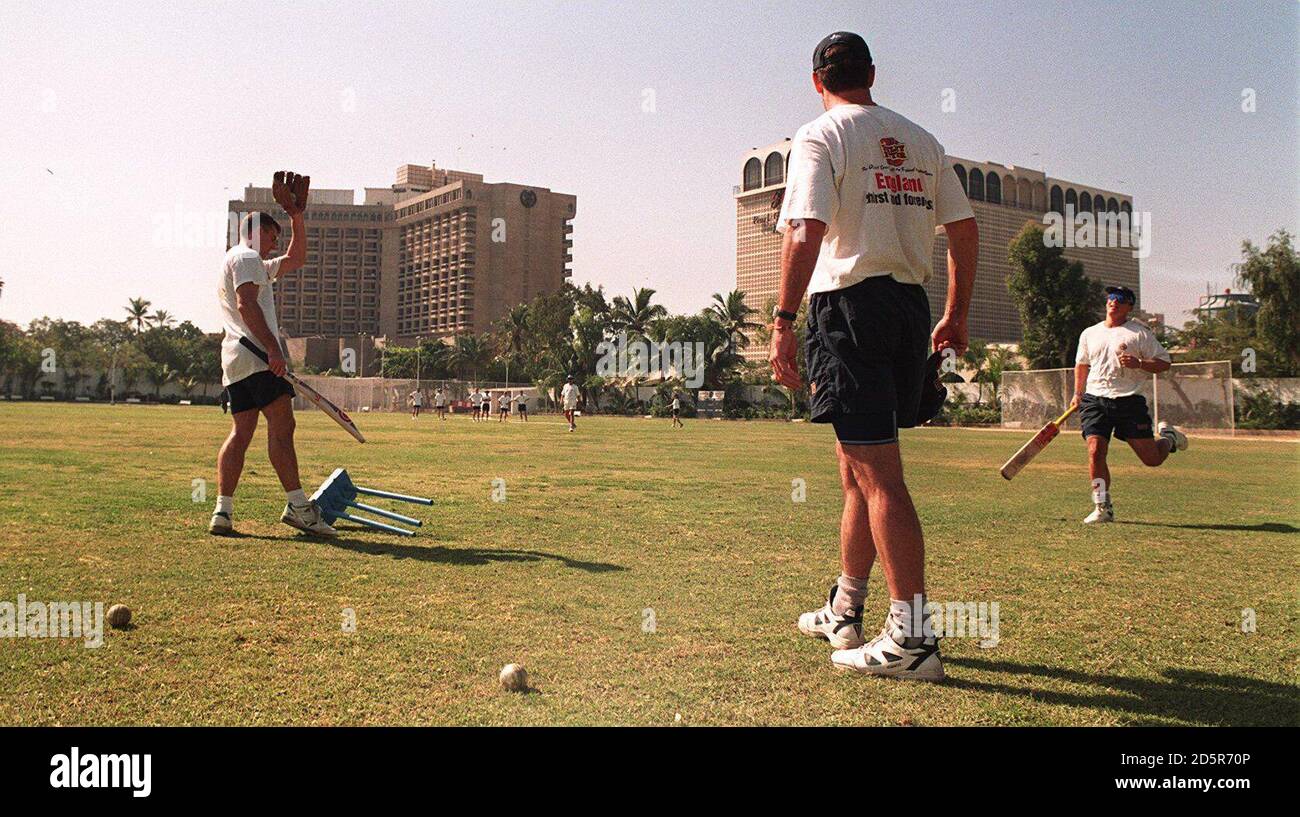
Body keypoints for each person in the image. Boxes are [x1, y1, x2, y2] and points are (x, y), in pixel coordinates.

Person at [770, 33, 979, 681]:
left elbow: (806, 230)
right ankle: (847, 607)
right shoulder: (920, 138)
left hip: (850, 308)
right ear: (872, 74)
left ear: (817, 80)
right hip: (908, 306)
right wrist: (957, 313)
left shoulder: (820, 136)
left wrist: (781, 320)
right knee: (856, 466)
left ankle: (912, 639)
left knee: (880, 474)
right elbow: (965, 229)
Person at [209, 171, 336, 538]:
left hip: (235, 362)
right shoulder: (247, 257)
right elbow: (247, 305)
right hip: (256, 356)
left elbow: (296, 259)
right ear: (257, 232)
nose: (273, 245)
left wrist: (296, 216)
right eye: (272, 237)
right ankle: (299, 507)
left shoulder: (245, 262)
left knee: (241, 432)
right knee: (283, 426)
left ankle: (223, 511)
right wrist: (274, 349)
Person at [1072, 285, 1187, 523]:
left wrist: (1140, 363)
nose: (1114, 301)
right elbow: (1082, 364)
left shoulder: (1139, 333)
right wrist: (1078, 393)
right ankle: (1102, 507)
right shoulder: (1089, 333)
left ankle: (1169, 438)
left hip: (1128, 401)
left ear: (1129, 306)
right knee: (1095, 451)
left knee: (1152, 459)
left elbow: (1164, 363)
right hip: (1095, 399)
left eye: (1121, 299)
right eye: (1111, 297)